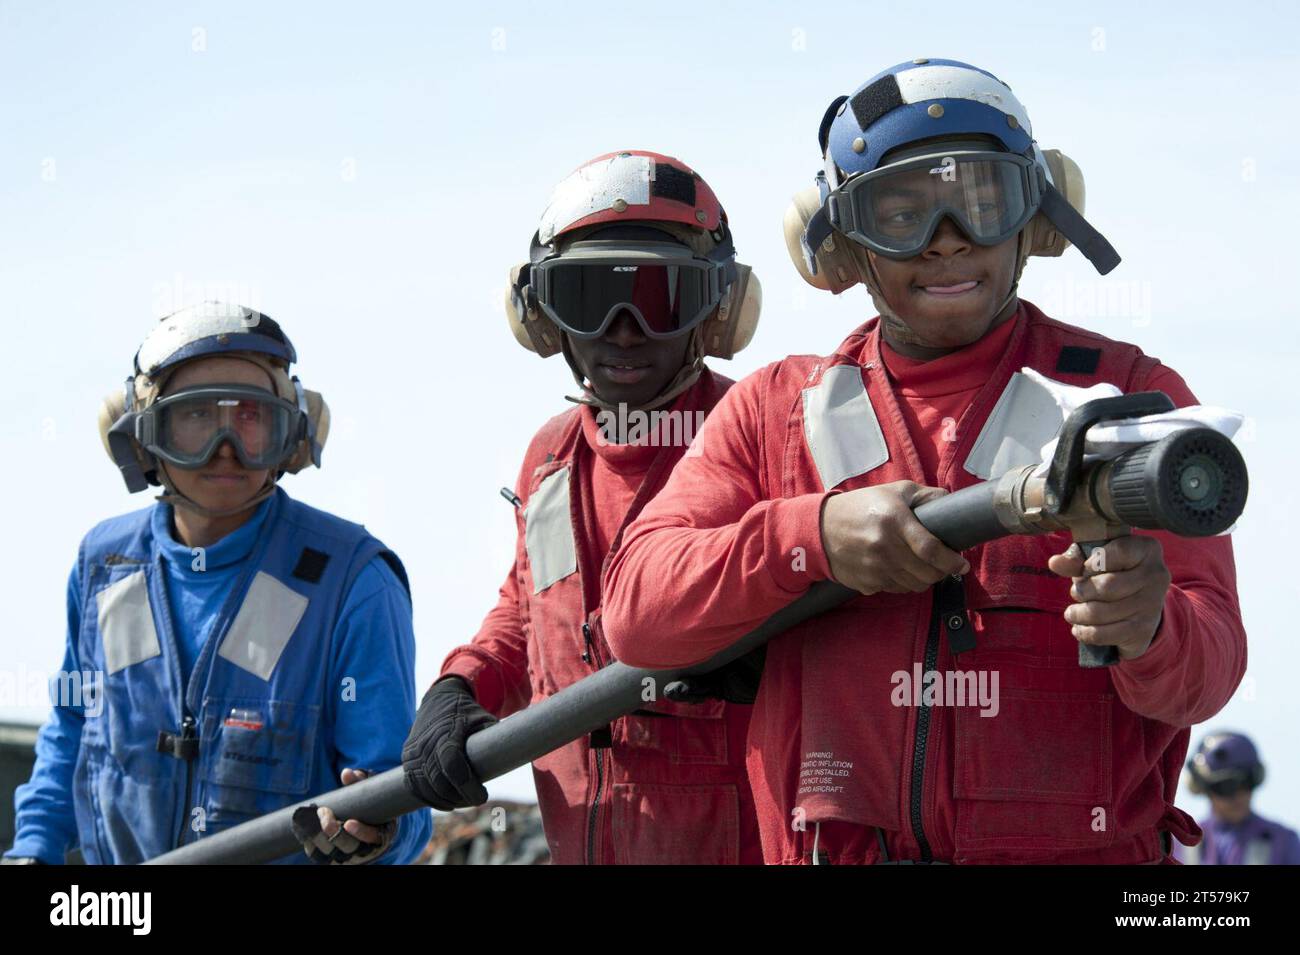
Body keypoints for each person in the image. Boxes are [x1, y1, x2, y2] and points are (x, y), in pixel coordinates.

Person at [601, 60, 1247, 864]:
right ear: (841, 247)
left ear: (1037, 217)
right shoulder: (774, 411)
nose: (947, 239)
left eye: (983, 202)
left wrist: (1151, 626)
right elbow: (636, 609)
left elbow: (1211, 667)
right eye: (900, 212)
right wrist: (815, 535)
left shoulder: (1129, 397)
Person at [402, 151, 765, 864]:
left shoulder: (759, 431)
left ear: (717, 309)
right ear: (540, 316)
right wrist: (460, 683)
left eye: (661, 297)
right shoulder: (550, 459)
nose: (624, 329)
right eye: (588, 297)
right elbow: (527, 607)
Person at [2, 302, 431, 865]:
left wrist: (376, 832)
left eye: (252, 417)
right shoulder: (105, 566)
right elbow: (71, 735)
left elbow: (402, 798)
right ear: (143, 434)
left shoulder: (349, 581)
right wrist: (32, 851)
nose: (224, 447)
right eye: (197, 417)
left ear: (293, 432)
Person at [1178, 731, 1300, 864]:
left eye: (1247, 782)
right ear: (1204, 788)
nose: (1239, 795)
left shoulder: (1283, 841)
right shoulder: (1179, 843)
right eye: (1226, 787)